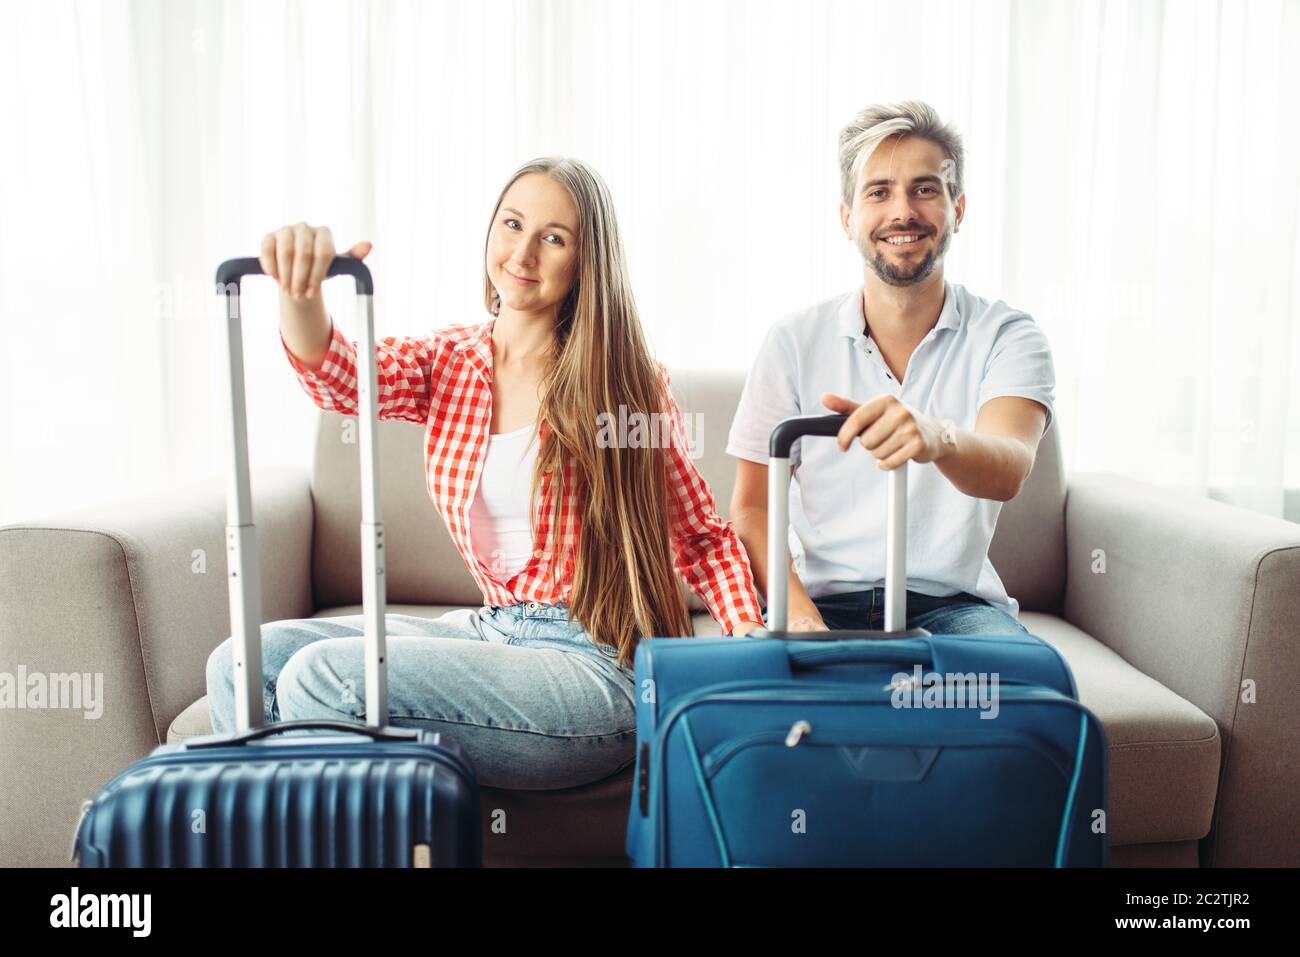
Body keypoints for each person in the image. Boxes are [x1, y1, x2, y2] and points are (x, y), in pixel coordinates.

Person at [207, 157, 763, 789]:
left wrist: (749, 634)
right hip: (491, 630)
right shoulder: (450, 362)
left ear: (587, 261)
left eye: (553, 238)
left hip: (592, 662)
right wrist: (301, 296)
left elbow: (699, 535)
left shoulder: (627, 381)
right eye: (512, 224)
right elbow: (337, 375)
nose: (523, 253)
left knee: (323, 678)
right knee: (243, 664)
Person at [727, 100, 1055, 637]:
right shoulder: (792, 341)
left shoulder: (1008, 335)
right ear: (847, 217)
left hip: (955, 608)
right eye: (878, 192)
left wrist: (938, 438)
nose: (902, 212)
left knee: (1020, 697)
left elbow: (1009, 468)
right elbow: (753, 509)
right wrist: (798, 613)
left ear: (959, 208)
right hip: (826, 603)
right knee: (767, 705)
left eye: (925, 189)